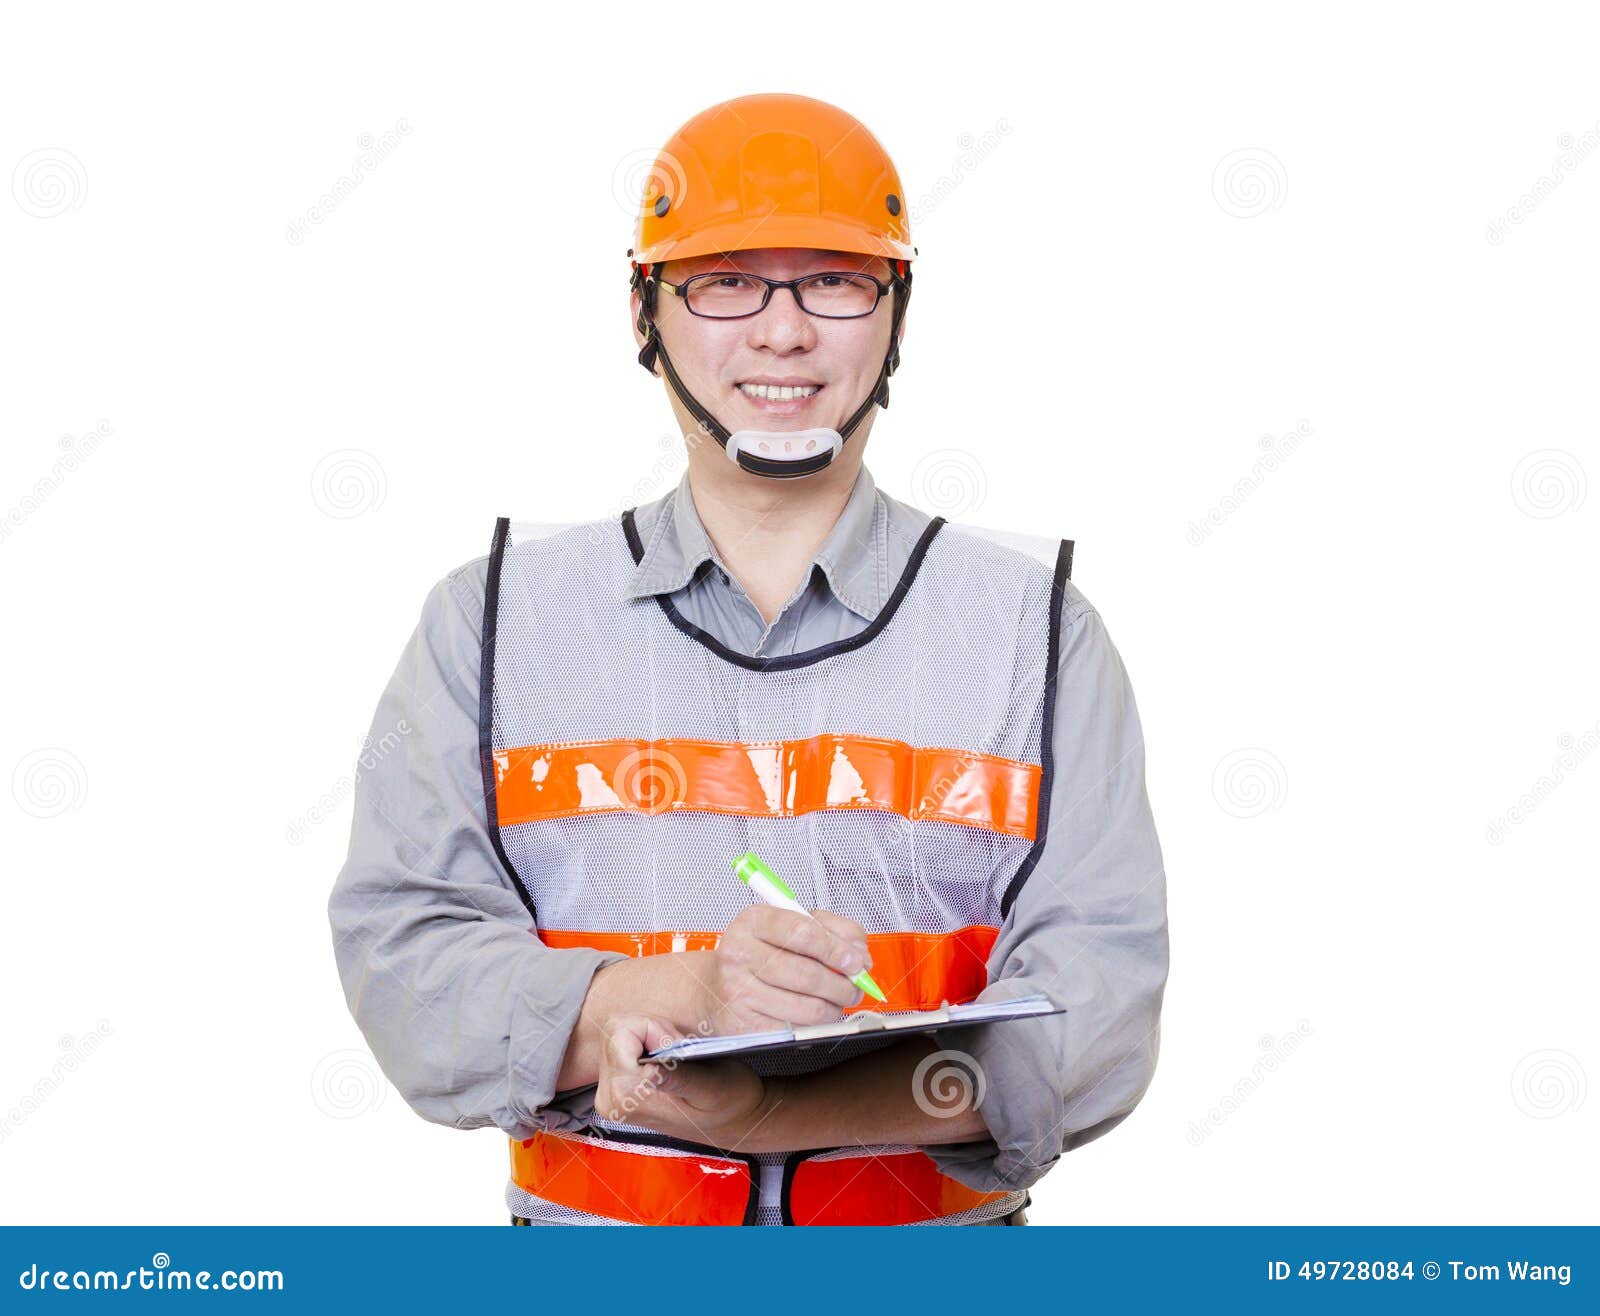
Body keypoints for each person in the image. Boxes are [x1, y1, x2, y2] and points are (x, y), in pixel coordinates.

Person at [328, 92, 1169, 1227]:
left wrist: (774, 1114)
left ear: (897, 317)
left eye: (835, 279)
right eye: (724, 280)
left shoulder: (1039, 630)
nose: (782, 332)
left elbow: (1099, 1014)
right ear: (643, 314)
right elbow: (401, 958)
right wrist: (659, 995)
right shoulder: (490, 623)